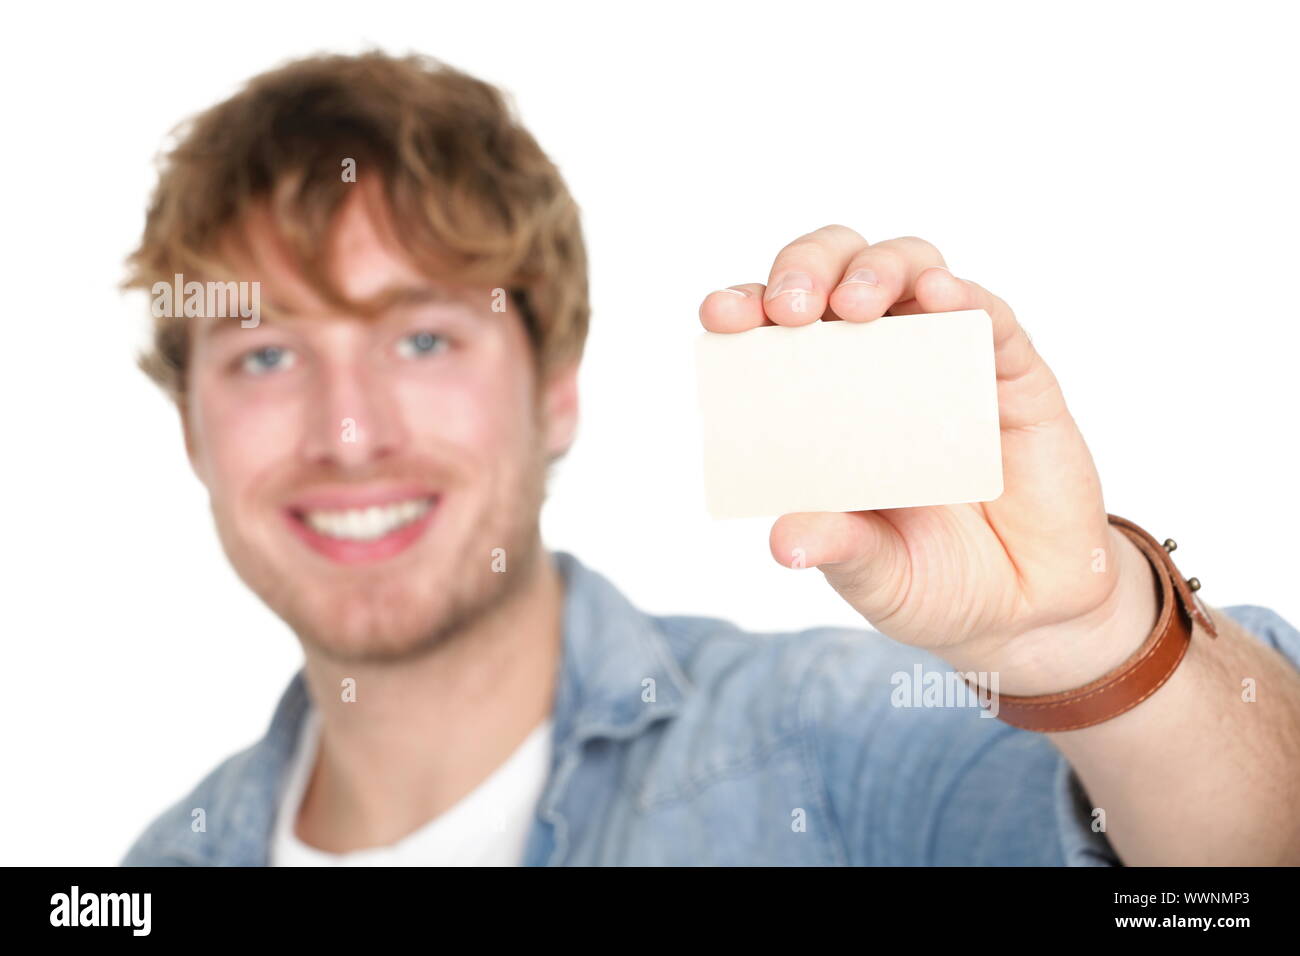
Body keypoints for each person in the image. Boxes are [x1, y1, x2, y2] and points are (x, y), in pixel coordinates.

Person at [120, 51, 1300, 866]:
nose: (348, 430)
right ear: (191, 426)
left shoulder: (828, 749)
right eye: (265, 355)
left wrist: (1084, 642)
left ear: (555, 390)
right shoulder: (164, 861)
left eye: (423, 336)